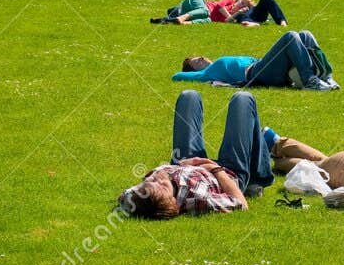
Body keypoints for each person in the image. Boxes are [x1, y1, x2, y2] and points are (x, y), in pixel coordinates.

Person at [117, 89, 273, 218]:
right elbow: (241, 205)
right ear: (173, 202)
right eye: (162, 186)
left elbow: (124, 197)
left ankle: (257, 176)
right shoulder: (198, 198)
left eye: (150, 181)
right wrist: (213, 169)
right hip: (227, 172)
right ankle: (256, 180)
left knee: (188, 96)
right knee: (243, 100)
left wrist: (190, 164)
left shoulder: (142, 195)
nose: (156, 179)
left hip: (185, 162)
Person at [172, 28, 337, 91]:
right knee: (290, 36)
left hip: (262, 65)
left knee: (305, 34)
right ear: (195, 71)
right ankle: (310, 80)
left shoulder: (216, 64)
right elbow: (176, 76)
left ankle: (326, 76)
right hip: (257, 74)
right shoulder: (206, 74)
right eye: (196, 62)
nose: (201, 58)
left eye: (199, 57)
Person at [152, 0, 288, 27]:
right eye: (240, 3)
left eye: (244, 5)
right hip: (198, 2)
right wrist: (232, 15)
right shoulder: (229, 0)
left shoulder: (241, 13)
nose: (240, 6)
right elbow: (219, 5)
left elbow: (230, 20)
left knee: (207, 20)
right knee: (206, 15)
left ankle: (281, 21)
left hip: (202, 15)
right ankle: (181, 18)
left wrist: (239, 13)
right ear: (236, 0)